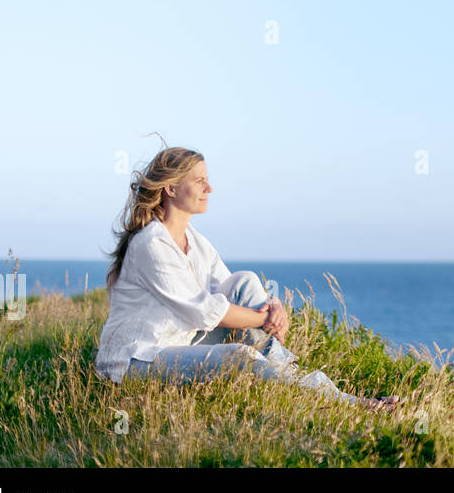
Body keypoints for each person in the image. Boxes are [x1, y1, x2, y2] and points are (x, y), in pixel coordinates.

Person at [96, 144, 394, 409]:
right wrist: (264, 319)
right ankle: (344, 404)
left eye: (208, 180)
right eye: (199, 181)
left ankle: (295, 379)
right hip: (136, 361)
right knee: (239, 356)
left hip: (178, 342)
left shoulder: (193, 239)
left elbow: (230, 288)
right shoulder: (151, 243)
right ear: (171, 189)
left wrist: (273, 306)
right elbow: (207, 311)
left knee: (246, 280)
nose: (209, 188)